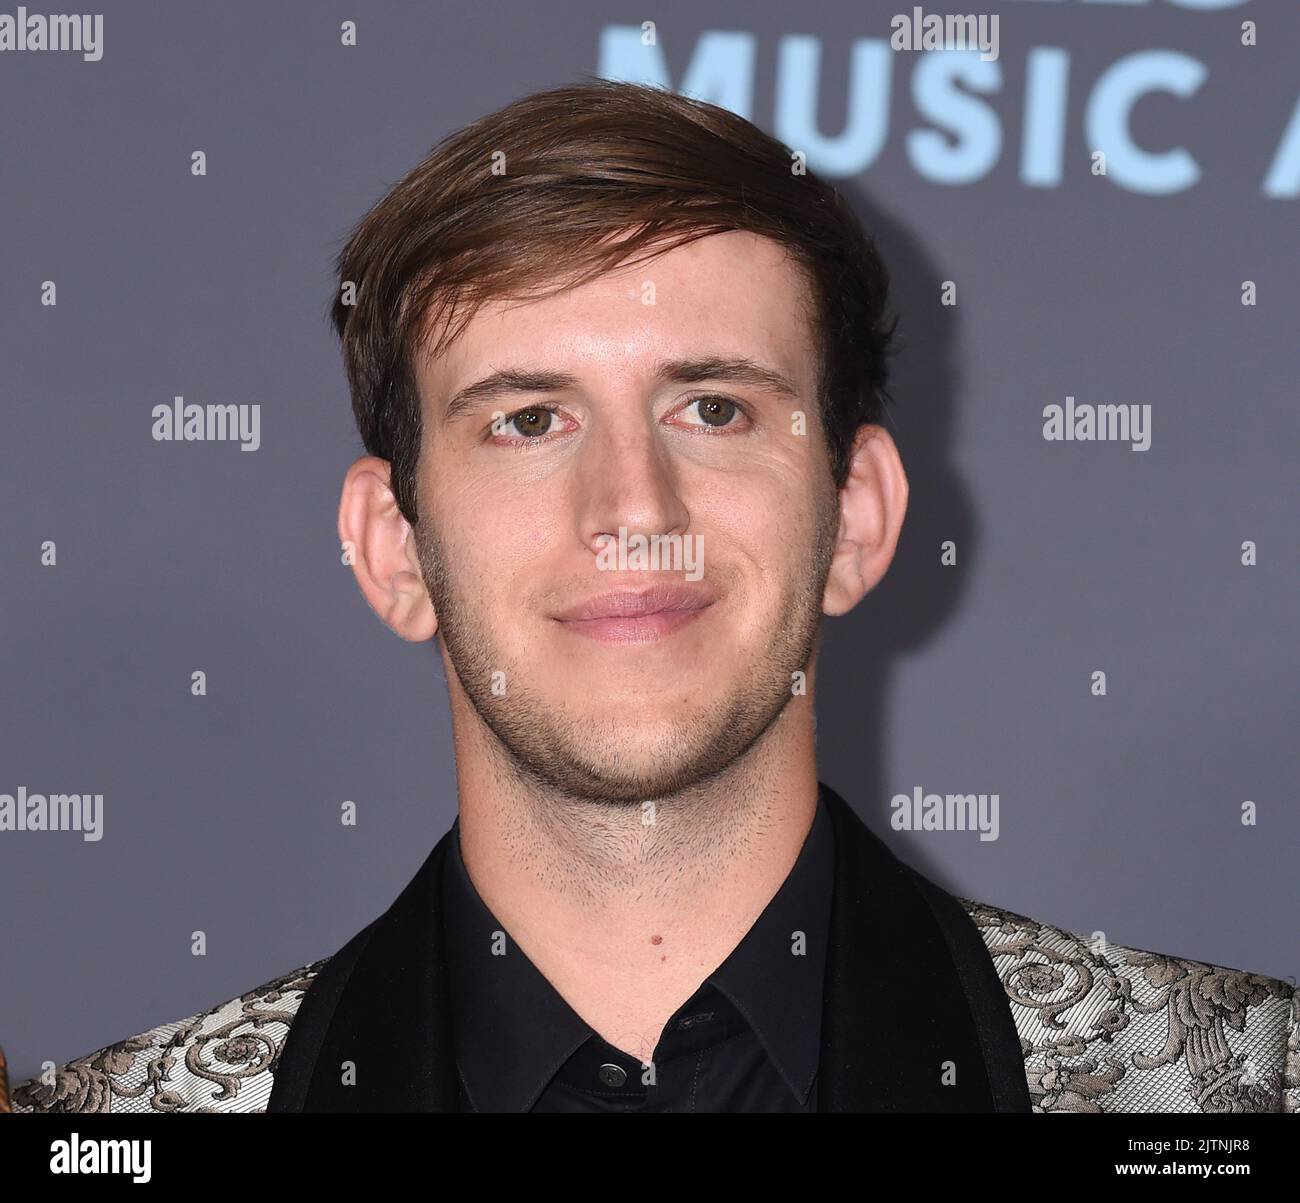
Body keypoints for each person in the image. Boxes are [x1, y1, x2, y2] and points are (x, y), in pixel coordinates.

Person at [9, 79, 1296, 1115]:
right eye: (526, 419)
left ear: (855, 519)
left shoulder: (1234, 1093)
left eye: (714, 408)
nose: (632, 507)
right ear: (393, 549)